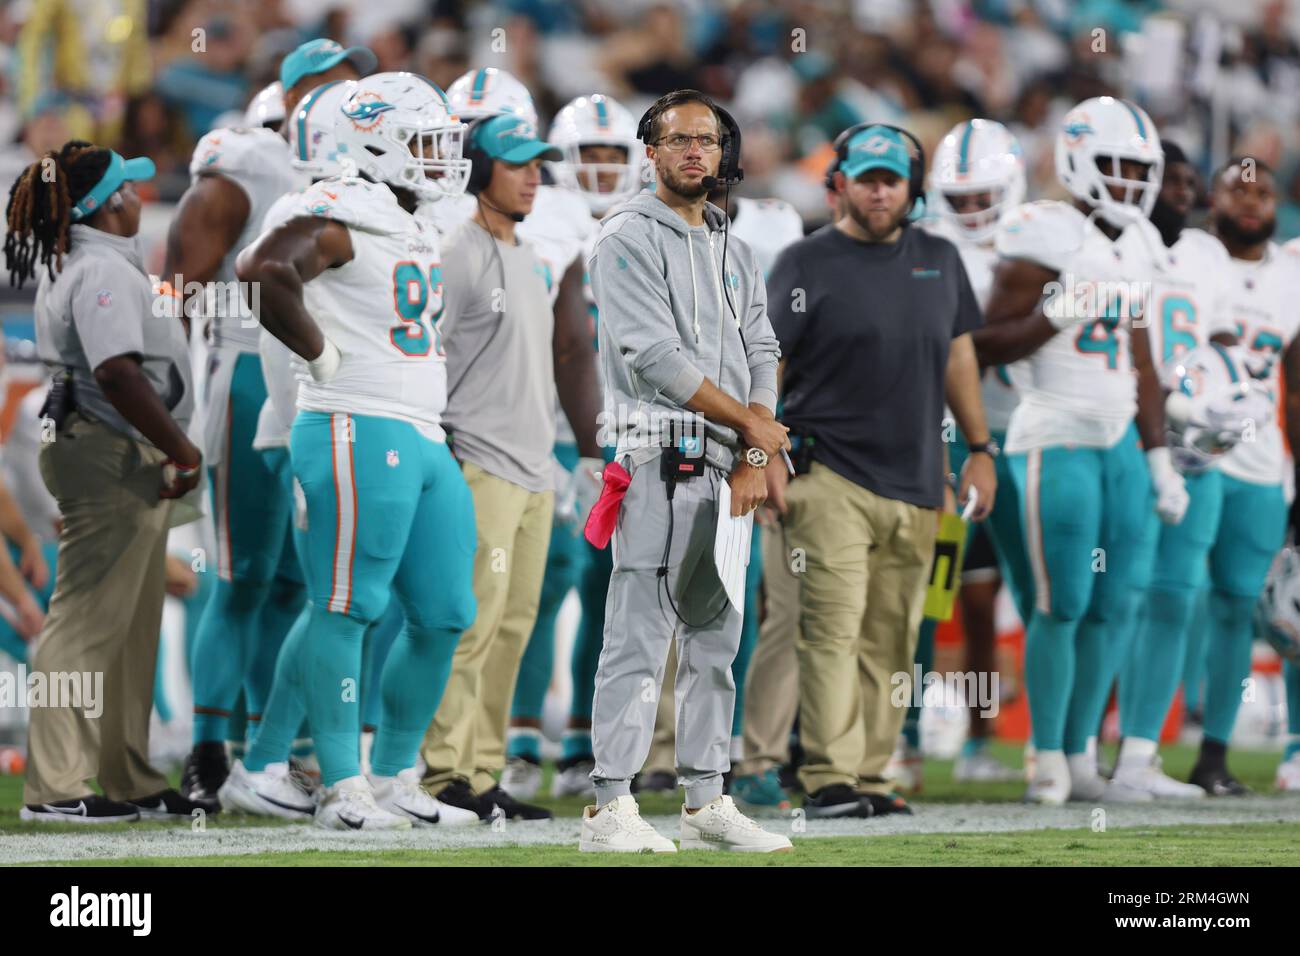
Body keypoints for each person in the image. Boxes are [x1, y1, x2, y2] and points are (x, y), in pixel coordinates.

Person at [237, 72, 477, 830]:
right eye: (426, 143)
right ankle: (343, 786)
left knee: (444, 613)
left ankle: (396, 772)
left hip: (419, 427)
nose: (441, 158)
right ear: (377, 141)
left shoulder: (405, 216)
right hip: (353, 421)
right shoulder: (339, 206)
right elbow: (262, 270)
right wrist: (322, 355)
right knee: (346, 607)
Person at [168, 38, 376, 810]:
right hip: (256, 370)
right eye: (328, 86)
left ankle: (272, 749)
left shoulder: (367, 170)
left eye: (355, 86)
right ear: (290, 98)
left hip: (341, 381)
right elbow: (179, 286)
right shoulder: (251, 158)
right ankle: (205, 752)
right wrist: (179, 391)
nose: (346, 100)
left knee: (300, 581)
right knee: (239, 574)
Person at [582, 89, 791, 853]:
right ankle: (609, 808)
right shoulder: (625, 237)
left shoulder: (733, 248)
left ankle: (706, 804)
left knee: (715, 639)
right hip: (659, 453)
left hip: (729, 460)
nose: (695, 152)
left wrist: (756, 449)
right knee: (638, 638)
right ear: (652, 151)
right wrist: (758, 431)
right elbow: (656, 359)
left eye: (707, 140)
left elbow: (763, 351)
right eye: (679, 140)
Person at [766, 122, 994, 819]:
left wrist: (979, 449)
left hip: (920, 478)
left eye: (890, 179)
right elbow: (766, 359)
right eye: (865, 177)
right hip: (828, 470)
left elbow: (958, 357)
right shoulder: (803, 262)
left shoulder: (941, 258)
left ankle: (869, 772)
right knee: (832, 630)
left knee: (894, 638)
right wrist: (762, 449)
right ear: (841, 182)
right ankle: (828, 776)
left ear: (911, 187)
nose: (878, 190)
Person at [974, 96, 1188, 805]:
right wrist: (1055, 313)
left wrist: (1159, 457)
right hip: (1054, 432)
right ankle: (1046, 756)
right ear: (1076, 162)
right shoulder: (1043, 229)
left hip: (1119, 439)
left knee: (1115, 603)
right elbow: (980, 345)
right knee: (1060, 602)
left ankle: (1081, 753)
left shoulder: (1138, 245)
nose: (1129, 183)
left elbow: (1143, 360)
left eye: (1138, 169)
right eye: (1115, 167)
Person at [417, 107, 599, 823]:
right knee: (471, 622)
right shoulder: (455, 251)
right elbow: (423, 351)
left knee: (516, 625)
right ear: (476, 170)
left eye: (537, 164)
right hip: (478, 461)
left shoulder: (527, 254)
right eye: (517, 163)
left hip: (532, 468)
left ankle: (483, 769)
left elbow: (562, 359)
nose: (534, 176)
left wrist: (578, 458)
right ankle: (442, 771)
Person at [10, 140, 201, 822]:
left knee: (130, 620)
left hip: (106, 444)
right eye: (129, 187)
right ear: (108, 203)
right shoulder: (99, 269)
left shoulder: (92, 262)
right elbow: (118, 372)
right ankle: (58, 785)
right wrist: (179, 446)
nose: (140, 196)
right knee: (88, 616)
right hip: (105, 448)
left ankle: (128, 774)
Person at [501, 92, 644, 802]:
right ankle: (520, 736)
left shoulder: (653, 224)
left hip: (630, 431)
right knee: (542, 578)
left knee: (605, 587)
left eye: (612, 153)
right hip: (551, 430)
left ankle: (588, 739)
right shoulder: (541, 214)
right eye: (587, 153)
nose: (599, 168)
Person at [1109, 145, 1253, 801]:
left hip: (1196, 452)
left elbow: (1220, 347)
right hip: (1129, 436)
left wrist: (1221, 402)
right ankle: (1071, 752)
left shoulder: (1207, 254)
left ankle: (1140, 755)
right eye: (1175, 179)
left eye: (1194, 181)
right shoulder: (1122, 240)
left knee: (1174, 596)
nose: (1186, 191)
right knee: (1117, 597)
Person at [912, 118, 1032, 786]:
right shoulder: (922, 247)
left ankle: (997, 737)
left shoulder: (1041, 240)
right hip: (951, 436)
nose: (972, 211)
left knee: (1005, 595)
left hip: (1028, 431)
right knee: (937, 590)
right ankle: (907, 730)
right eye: (958, 198)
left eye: (983, 194)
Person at [1181, 157, 1300, 795]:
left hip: (1259, 466)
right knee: (1159, 598)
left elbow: (1297, 383)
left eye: (1263, 191)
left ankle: (1214, 755)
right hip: (1186, 455)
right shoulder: (1188, 256)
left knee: (1233, 607)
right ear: (1213, 199)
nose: (1252, 201)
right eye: (1238, 189)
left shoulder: (1291, 273)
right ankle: (1126, 746)